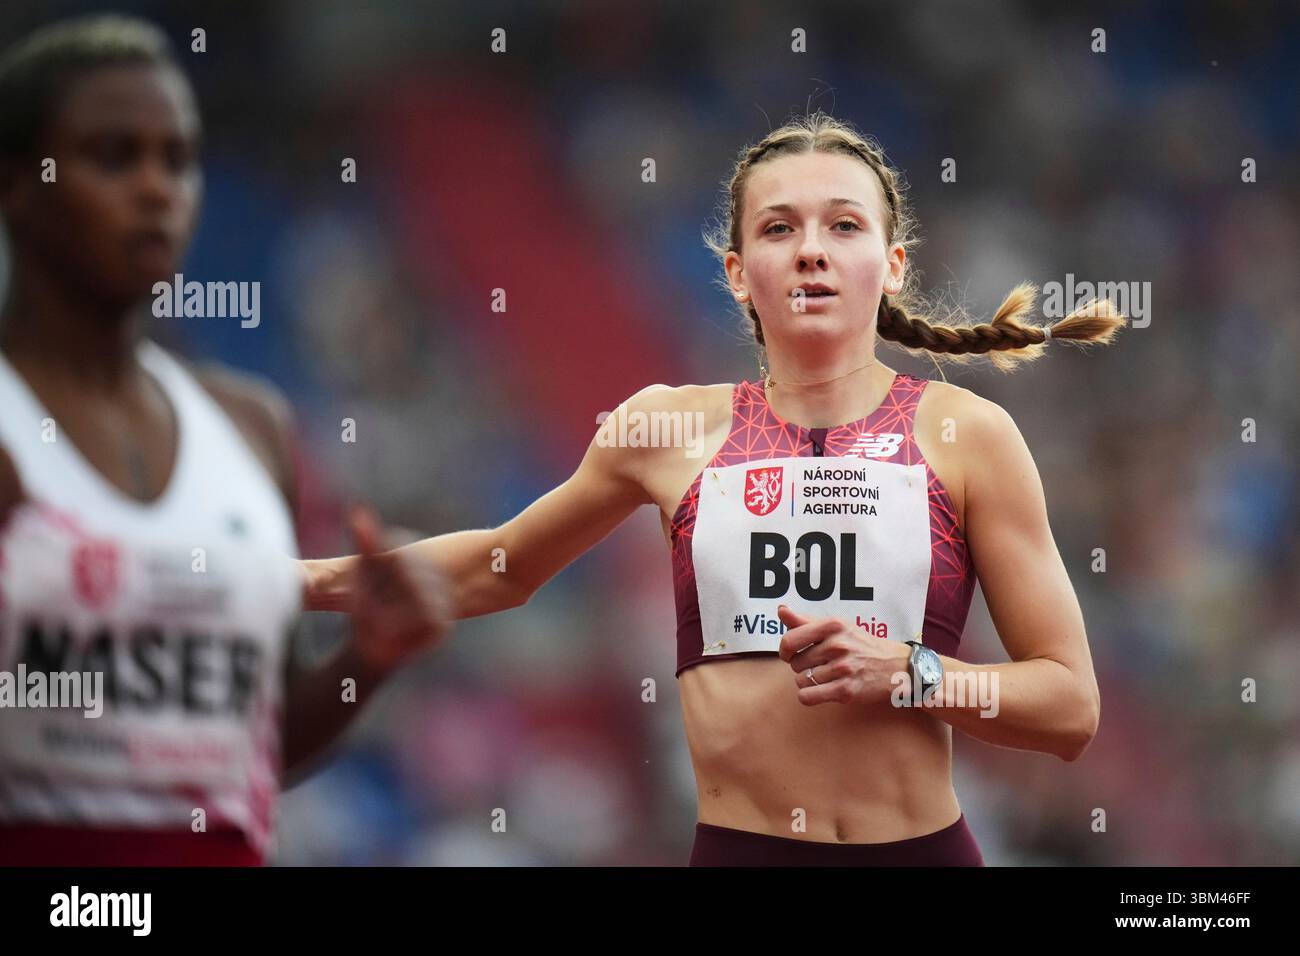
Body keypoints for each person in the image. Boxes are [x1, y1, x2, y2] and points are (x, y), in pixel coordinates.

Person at [303, 112, 1125, 865]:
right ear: (737, 272)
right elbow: (499, 566)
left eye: (844, 225)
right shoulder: (668, 430)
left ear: (892, 264)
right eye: (778, 228)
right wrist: (293, 583)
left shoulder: (967, 434)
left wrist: (913, 671)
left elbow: (1069, 707)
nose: (812, 250)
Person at [0, 14, 452, 866]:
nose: (156, 189)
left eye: (177, 160)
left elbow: (256, 750)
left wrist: (370, 656)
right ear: (18, 183)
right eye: (114, 156)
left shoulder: (252, 432)